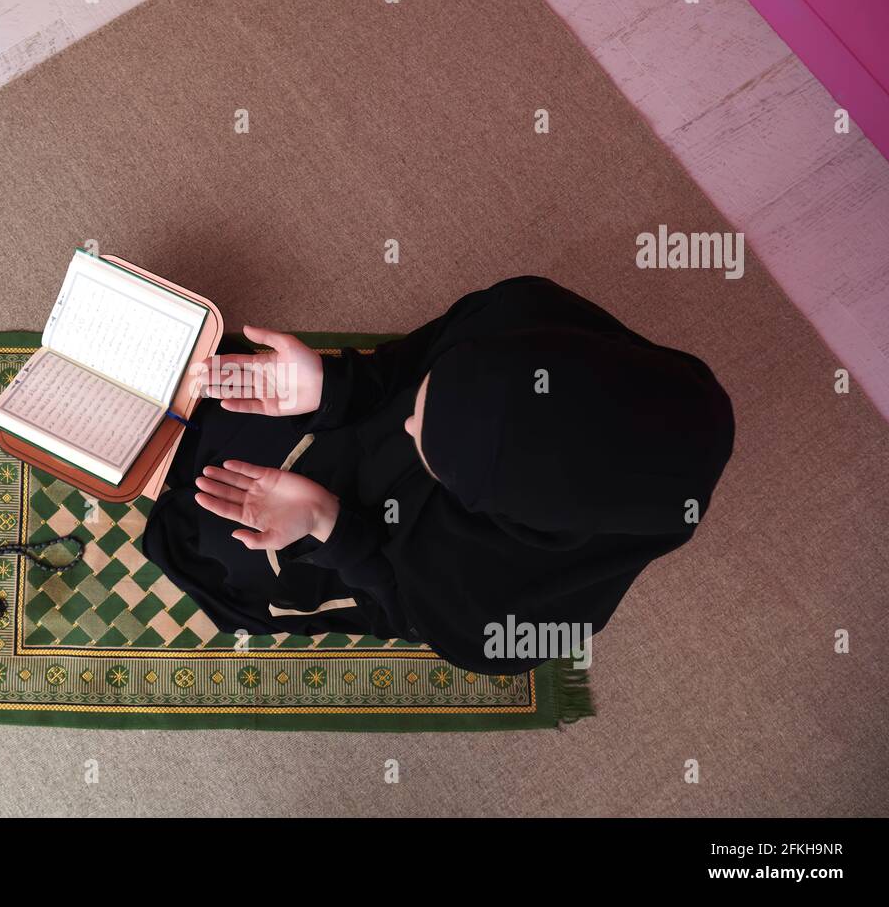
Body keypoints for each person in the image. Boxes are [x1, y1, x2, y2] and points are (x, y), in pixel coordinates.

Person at [140, 275, 735, 672]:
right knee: (218, 410)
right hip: (368, 439)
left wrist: (329, 522)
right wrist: (332, 384)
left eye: (426, 448)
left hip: (371, 543)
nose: (406, 427)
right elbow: (405, 367)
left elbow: (404, 606)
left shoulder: (507, 615)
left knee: (217, 540)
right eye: (425, 402)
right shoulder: (524, 314)